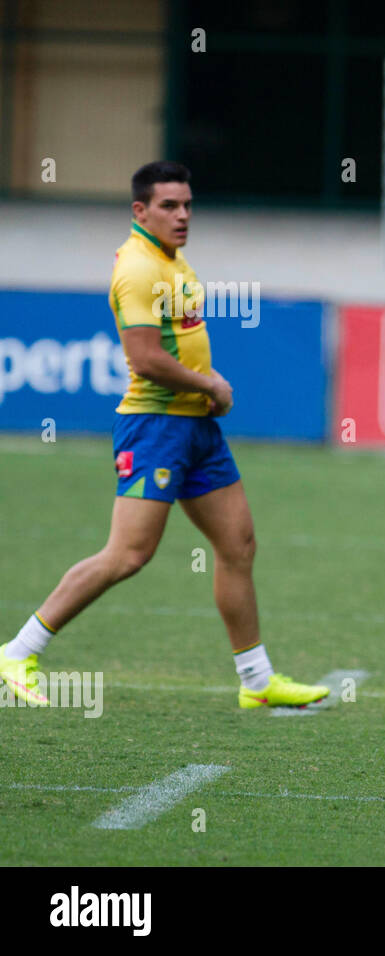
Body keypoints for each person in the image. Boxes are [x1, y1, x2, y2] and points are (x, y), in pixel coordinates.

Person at [0, 161, 327, 710]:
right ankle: (18, 650)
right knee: (128, 555)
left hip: (196, 428)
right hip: (155, 427)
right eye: (170, 206)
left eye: (188, 205)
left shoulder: (171, 260)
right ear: (140, 211)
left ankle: (256, 680)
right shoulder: (137, 269)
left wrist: (205, 397)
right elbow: (145, 359)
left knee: (238, 545)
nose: (182, 215)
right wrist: (213, 387)